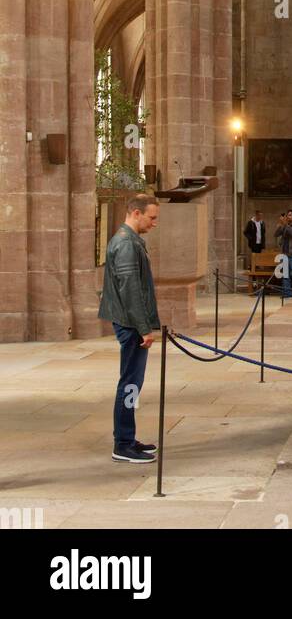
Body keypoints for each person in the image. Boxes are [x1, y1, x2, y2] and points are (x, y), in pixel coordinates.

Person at [98, 194, 161, 464]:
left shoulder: (131, 240)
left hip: (132, 323)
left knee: (133, 384)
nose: (154, 223)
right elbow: (130, 289)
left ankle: (128, 437)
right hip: (130, 324)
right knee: (129, 385)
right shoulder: (125, 243)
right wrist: (143, 328)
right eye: (152, 217)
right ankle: (122, 444)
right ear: (136, 213)